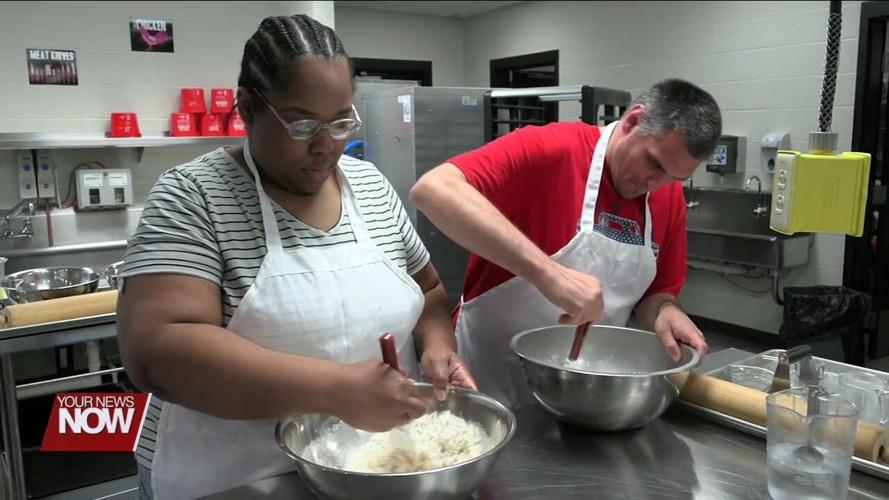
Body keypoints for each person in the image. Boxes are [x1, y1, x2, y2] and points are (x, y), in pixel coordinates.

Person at [116, 14, 475, 499]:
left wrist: (437, 345)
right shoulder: (193, 196)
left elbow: (429, 290)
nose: (327, 145)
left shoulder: (369, 186)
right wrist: (339, 390)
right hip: (230, 480)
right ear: (248, 107)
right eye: (302, 123)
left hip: (368, 468)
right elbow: (157, 353)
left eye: (341, 122)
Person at [409, 78, 720, 407]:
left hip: (580, 392)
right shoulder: (555, 148)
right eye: (654, 163)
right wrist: (548, 274)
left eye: (675, 177)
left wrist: (665, 312)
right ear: (632, 121)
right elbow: (432, 189)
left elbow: (656, 295)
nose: (654, 184)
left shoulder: (668, 198)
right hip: (487, 381)